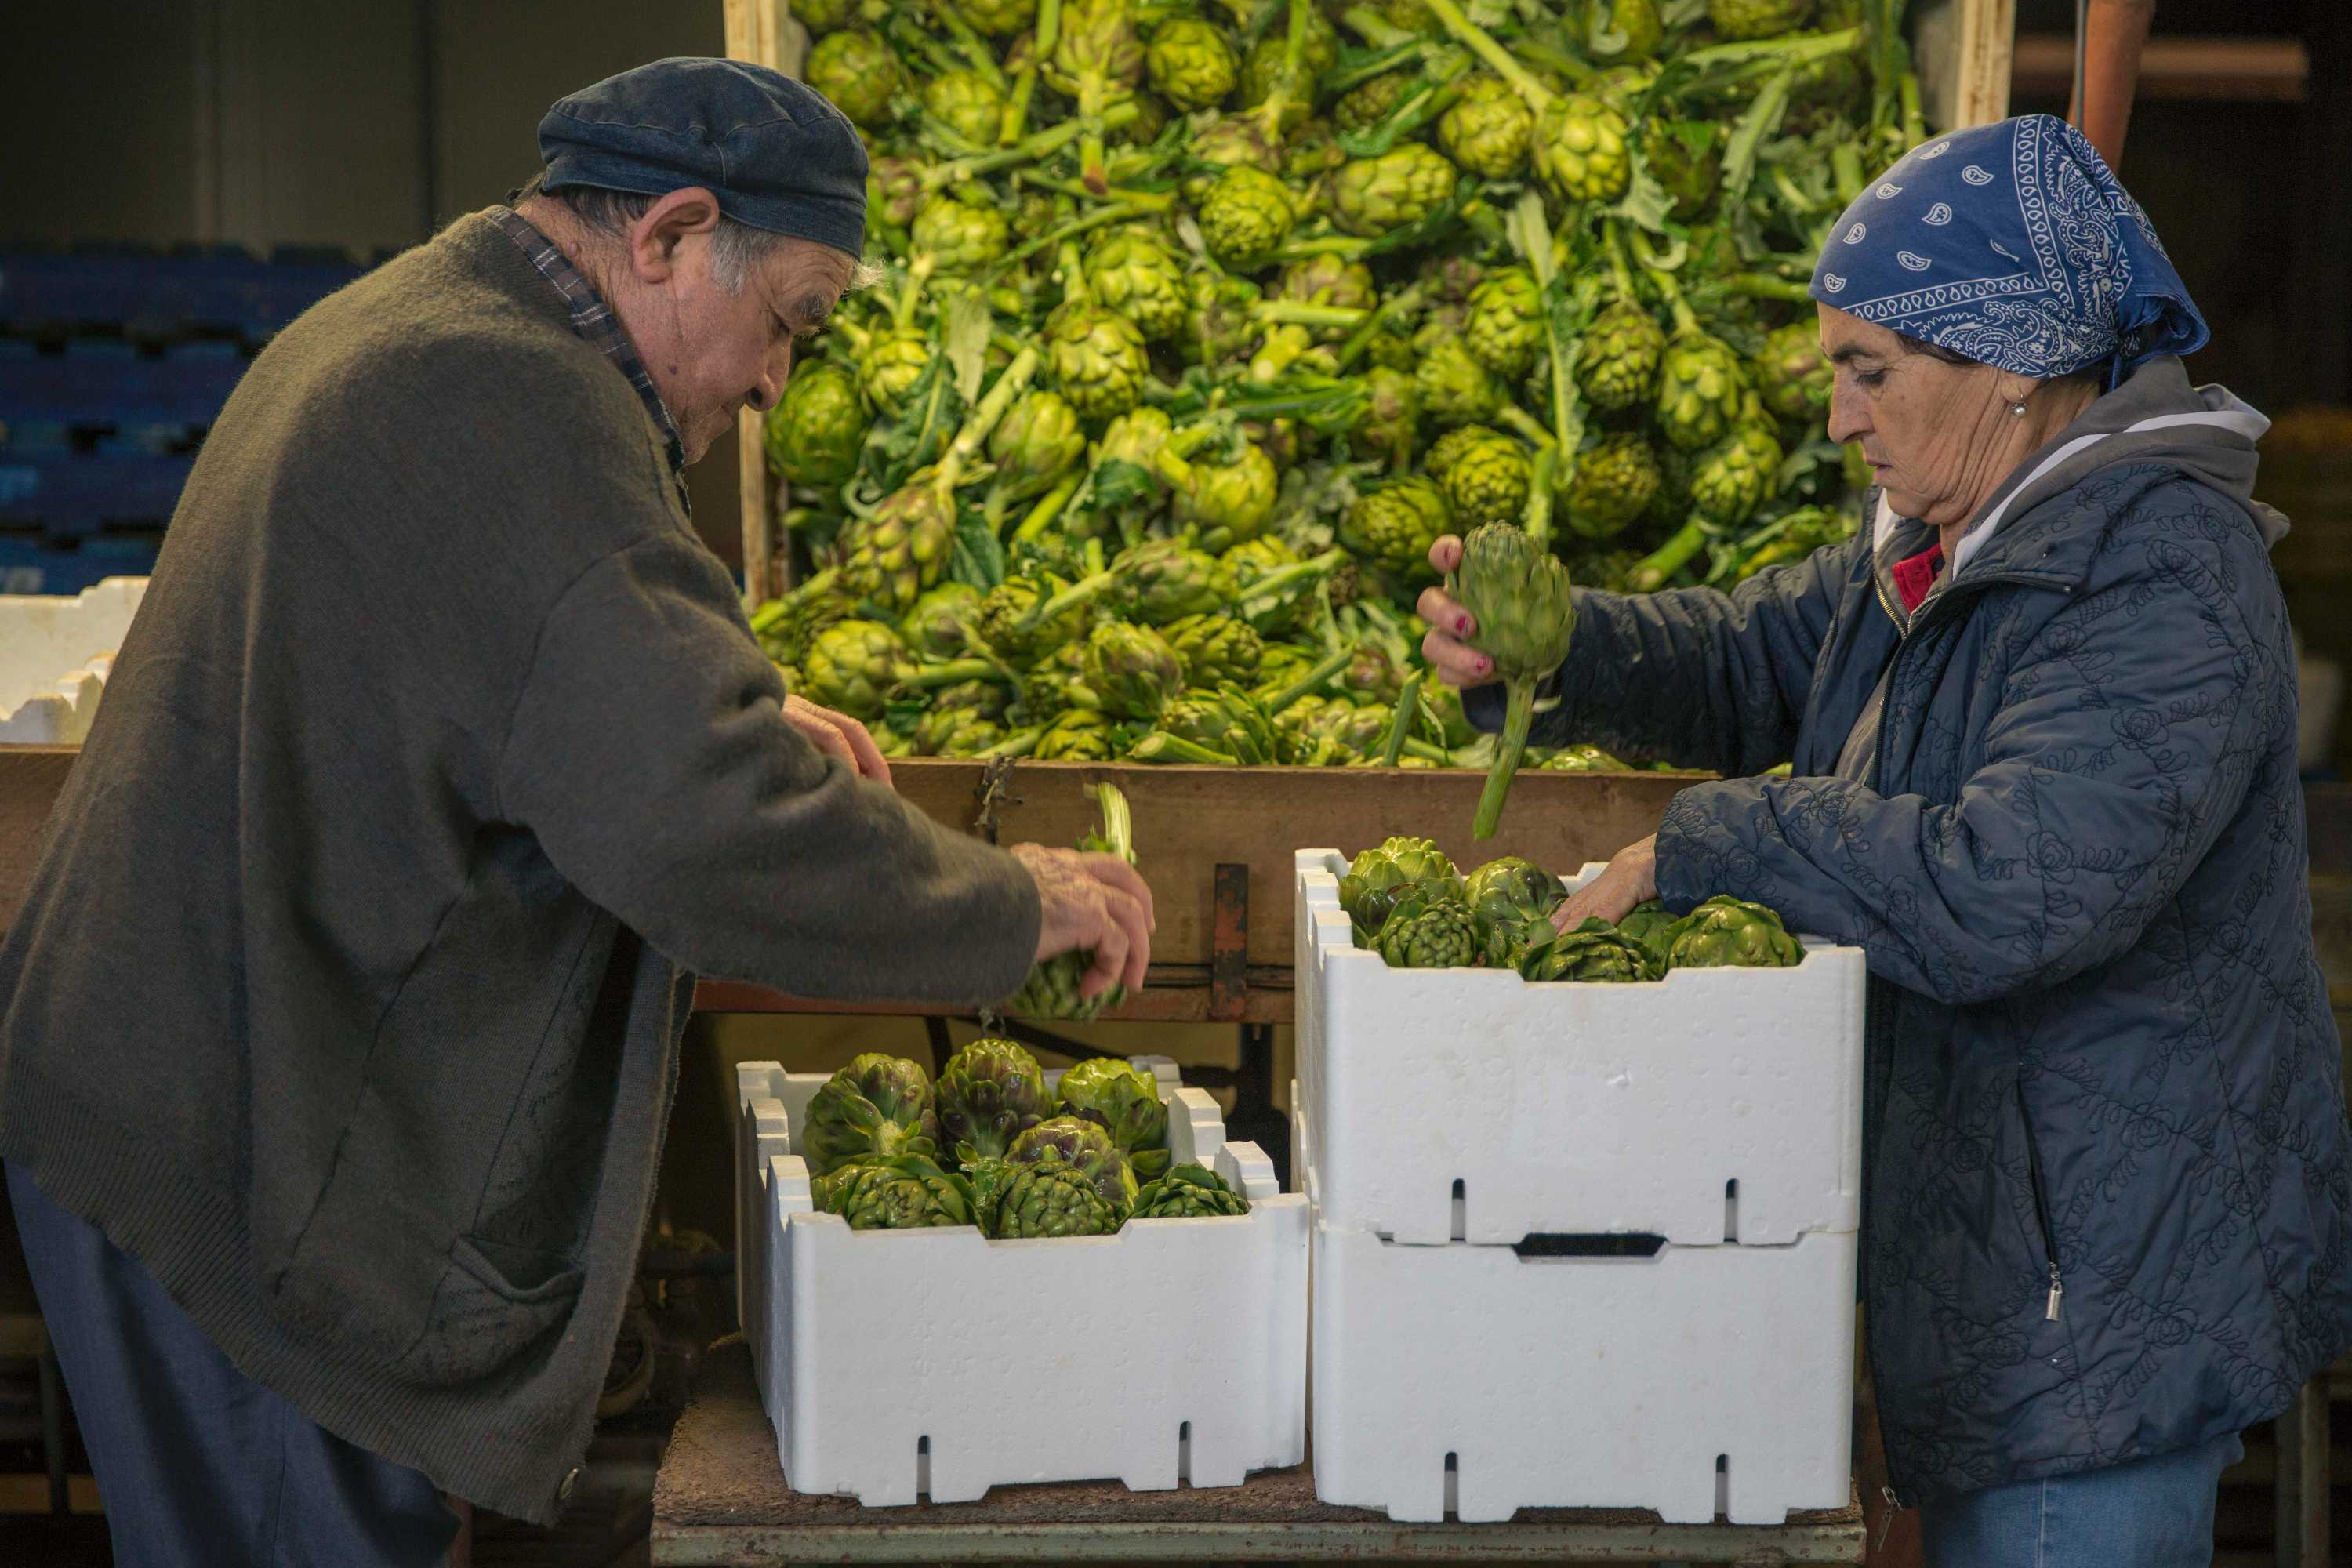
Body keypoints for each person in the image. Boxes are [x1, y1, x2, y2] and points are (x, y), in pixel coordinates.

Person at [0, 58, 1152, 1564]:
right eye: (789, 322)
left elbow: (501, 661)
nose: (772, 384)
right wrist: (1019, 905)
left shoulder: (433, 318)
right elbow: (712, 826)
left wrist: (690, 687)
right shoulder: (523, 406)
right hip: (245, 1176)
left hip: (187, 1088)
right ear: (671, 234)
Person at [1422, 114, 2352, 1567]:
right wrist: (1555, 650)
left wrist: (1713, 841)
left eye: (1871, 372)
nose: (1842, 416)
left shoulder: (2162, 575)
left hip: (2096, 1315)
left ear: (2017, 365)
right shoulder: (1942, 541)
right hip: (2002, 1275)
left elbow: (2010, 887)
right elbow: (1752, 657)